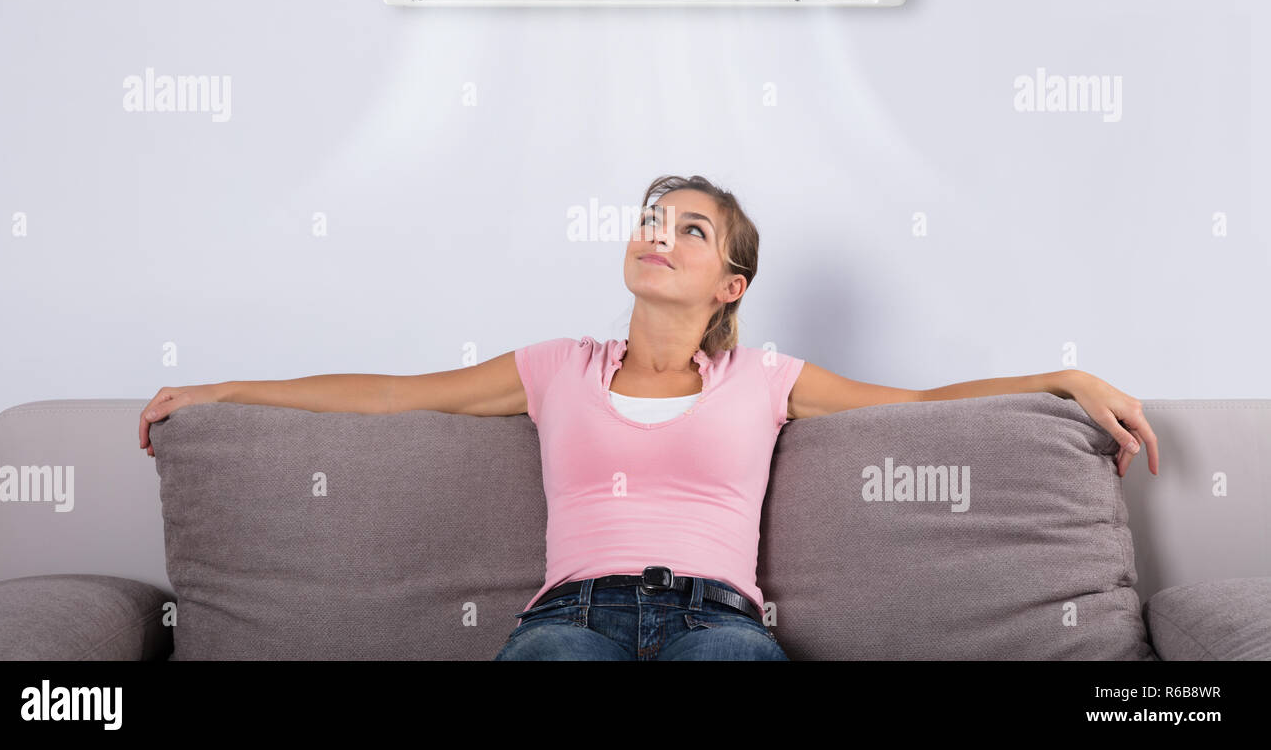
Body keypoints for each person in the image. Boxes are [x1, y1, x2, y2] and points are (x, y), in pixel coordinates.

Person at [136, 173, 1159, 661]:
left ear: (729, 280)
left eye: (690, 229)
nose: (657, 235)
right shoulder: (556, 367)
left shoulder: (766, 377)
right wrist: (225, 391)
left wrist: (1060, 376)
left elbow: (918, 409)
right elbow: (393, 394)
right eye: (650, 220)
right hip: (568, 620)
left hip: (715, 618)